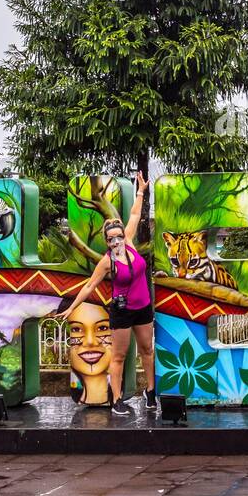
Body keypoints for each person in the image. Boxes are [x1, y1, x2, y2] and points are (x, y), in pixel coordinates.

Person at [56, 171, 155, 415]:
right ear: (106, 241)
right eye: (111, 238)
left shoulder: (130, 243)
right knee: (119, 356)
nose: (117, 240)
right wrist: (71, 307)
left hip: (143, 307)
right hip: (122, 312)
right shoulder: (106, 261)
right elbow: (89, 285)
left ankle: (151, 393)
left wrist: (141, 190)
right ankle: (117, 399)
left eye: (119, 236)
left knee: (147, 351)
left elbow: (133, 214)